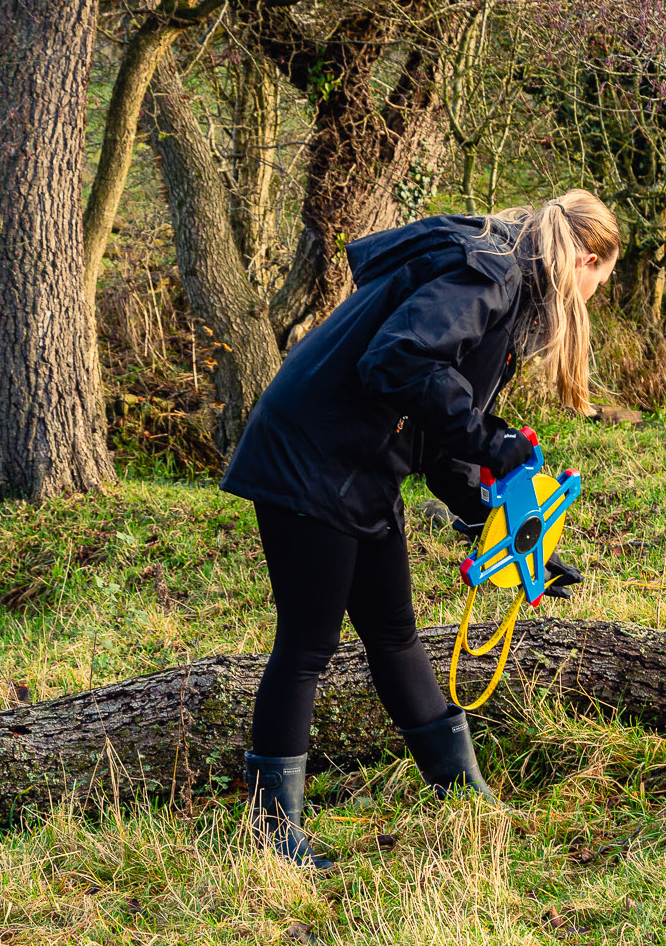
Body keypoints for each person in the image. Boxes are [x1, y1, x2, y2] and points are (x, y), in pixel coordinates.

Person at [221, 192, 621, 868]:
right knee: (307, 644)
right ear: (584, 260)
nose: (589, 301)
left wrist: (507, 535)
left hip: (360, 465)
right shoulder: (489, 273)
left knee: (394, 634)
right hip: (313, 457)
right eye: (597, 286)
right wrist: (488, 440)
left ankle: (461, 794)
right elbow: (398, 361)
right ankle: (270, 835)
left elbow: (436, 427)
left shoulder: (504, 287)